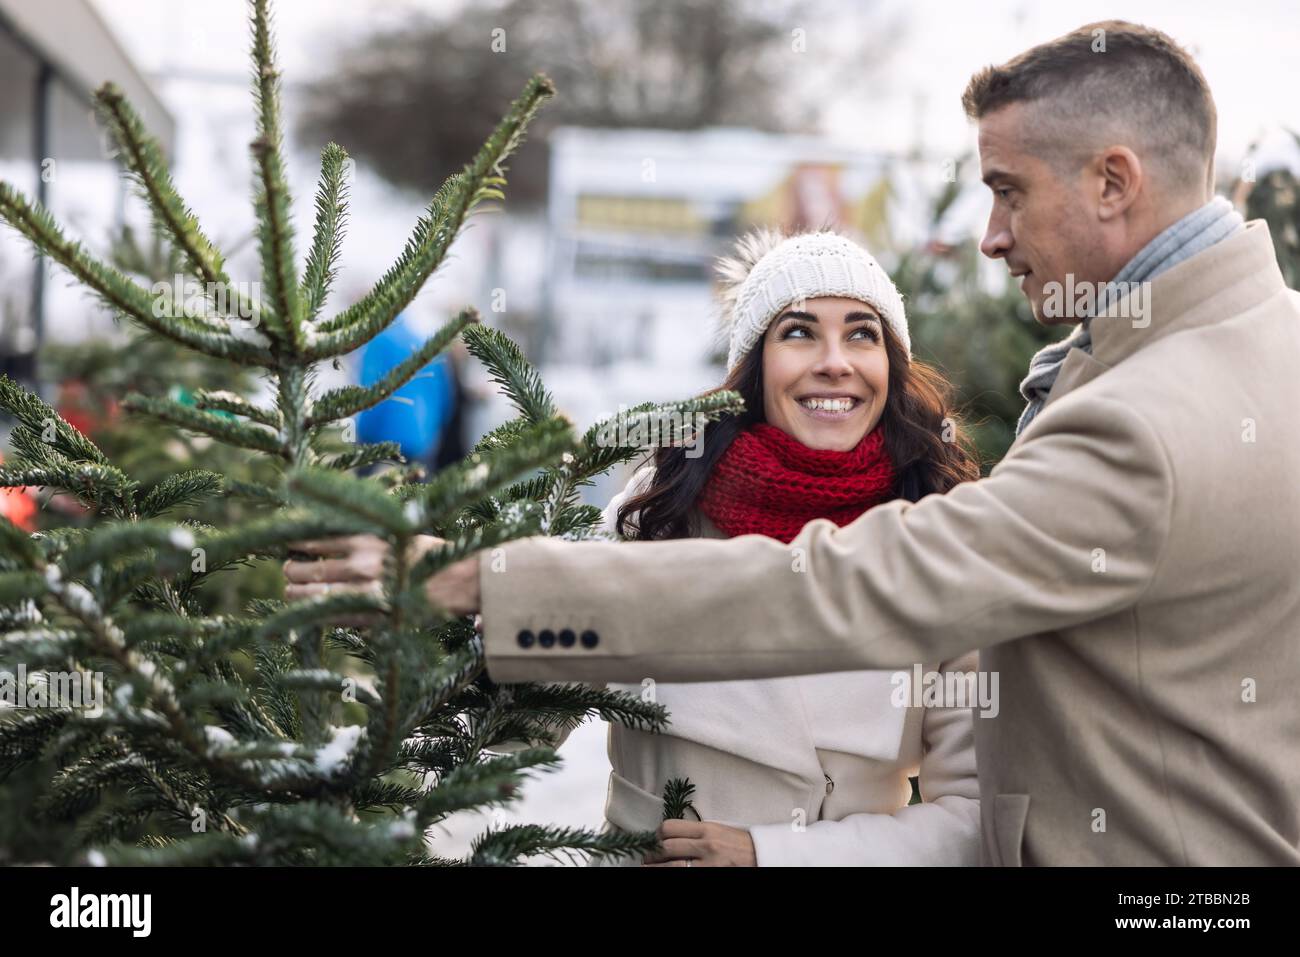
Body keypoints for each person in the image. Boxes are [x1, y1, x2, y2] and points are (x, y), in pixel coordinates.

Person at [289, 22, 1300, 865]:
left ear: (1113, 181)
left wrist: (487, 584)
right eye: (796, 332)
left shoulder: (1136, 421)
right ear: (749, 365)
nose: (991, 234)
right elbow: (501, 731)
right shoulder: (1243, 351)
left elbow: (845, 592)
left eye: (1008, 190)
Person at [536, 228, 981, 866]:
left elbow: (971, 819)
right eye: (799, 332)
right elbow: (515, 726)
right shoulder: (661, 506)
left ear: (892, 365)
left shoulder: (938, 534)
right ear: (753, 367)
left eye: (862, 333)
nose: (836, 361)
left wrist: (770, 855)